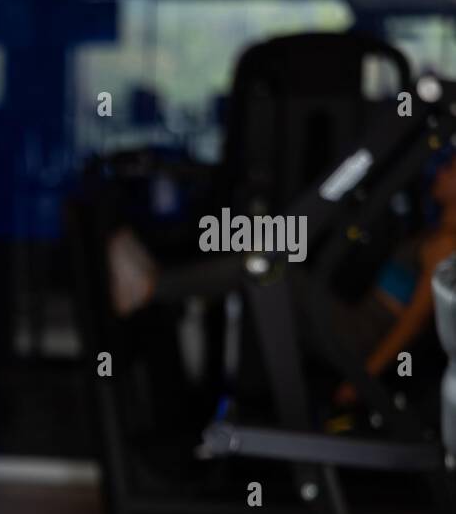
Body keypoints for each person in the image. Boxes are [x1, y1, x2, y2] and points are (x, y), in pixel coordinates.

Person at [107, 150, 456, 408]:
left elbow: (416, 321)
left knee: (272, 267)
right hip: (357, 322)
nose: (440, 173)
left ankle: (150, 286)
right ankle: (162, 284)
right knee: (266, 271)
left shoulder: (447, 245)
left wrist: (365, 377)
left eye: (451, 169)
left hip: (361, 336)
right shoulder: (433, 232)